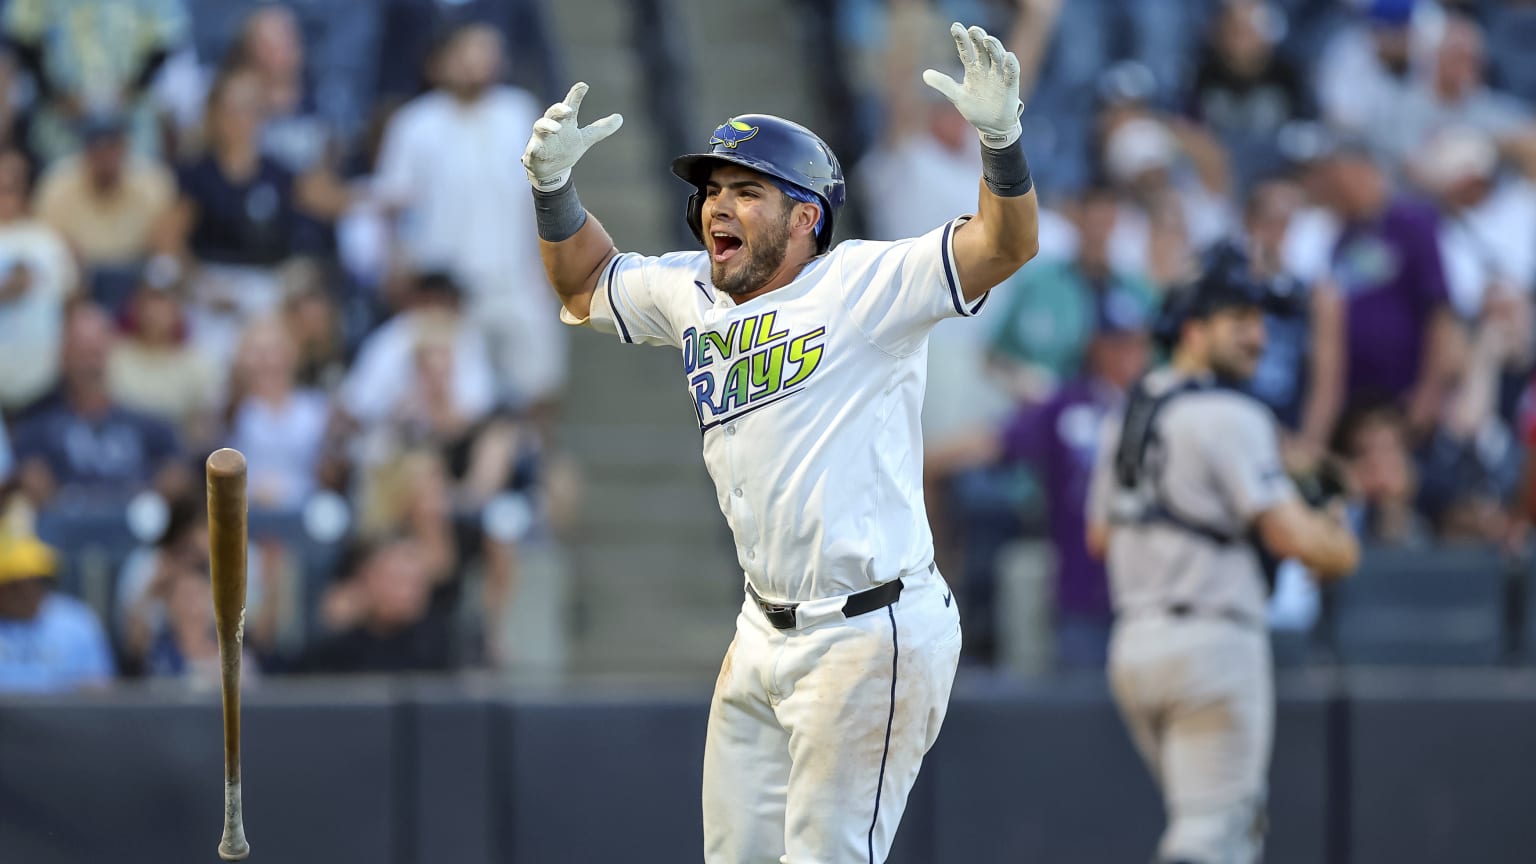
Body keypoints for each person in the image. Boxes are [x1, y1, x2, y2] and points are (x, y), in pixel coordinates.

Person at [522, 21, 1038, 862]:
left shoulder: (867, 284)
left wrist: (1002, 142)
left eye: (745, 190)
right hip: (762, 628)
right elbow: (583, 281)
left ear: (806, 216)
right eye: (711, 189)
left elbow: (1007, 244)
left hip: (869, 628)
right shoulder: (694, 290)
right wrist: (553, 191)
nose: (716, 205)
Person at [1086, 244, 1360, 864]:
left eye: (1259, 321)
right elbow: (1295, 539)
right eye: (1238, 319)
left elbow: (1099, 537)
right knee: (1214, 838)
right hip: (1213, 644)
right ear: (1192, 328)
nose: (1257, 336)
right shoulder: (1230, 412)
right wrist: (1340, 541)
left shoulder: (1127, 411)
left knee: (1209, 826)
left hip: (1136, 647)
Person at [0, 534, 115, 693]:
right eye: (16, 586)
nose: (30, 593)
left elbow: (100, 690)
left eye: (38, 582)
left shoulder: (76, 622)